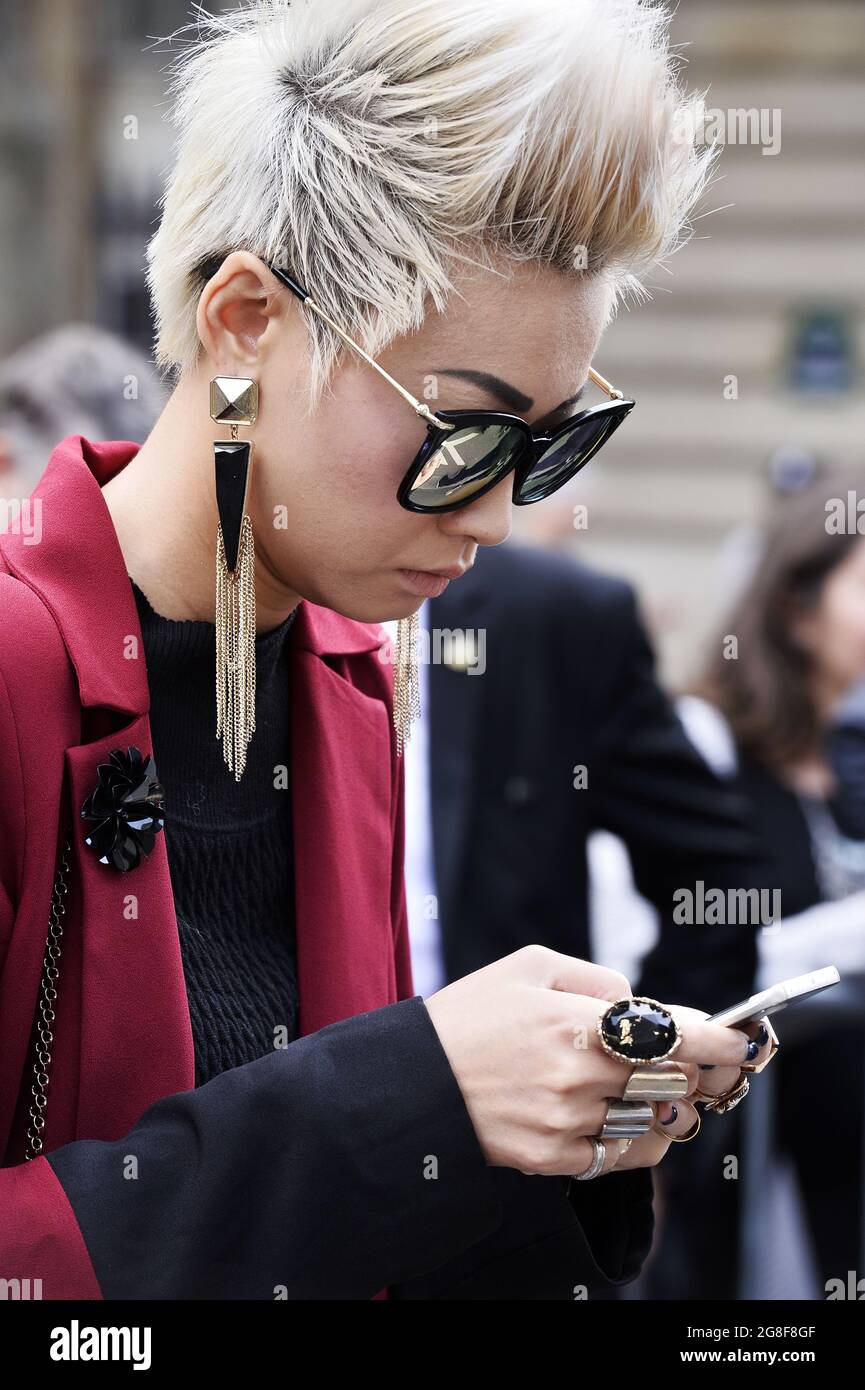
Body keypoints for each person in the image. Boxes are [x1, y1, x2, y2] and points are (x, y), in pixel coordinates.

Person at [0, 0, 773, 1301]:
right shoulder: (25, 666)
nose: (492, 514)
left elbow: (319, 1234)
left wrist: (556, 1128)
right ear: (245, 321)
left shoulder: (351, 672)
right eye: (462, 435)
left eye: (551, 444)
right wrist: (414, 1092)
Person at [641, 476, 865, 1298]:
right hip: (740, 1177)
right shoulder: (705, 744)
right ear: (797, 608)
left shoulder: (847, 760)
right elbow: (675, 962)